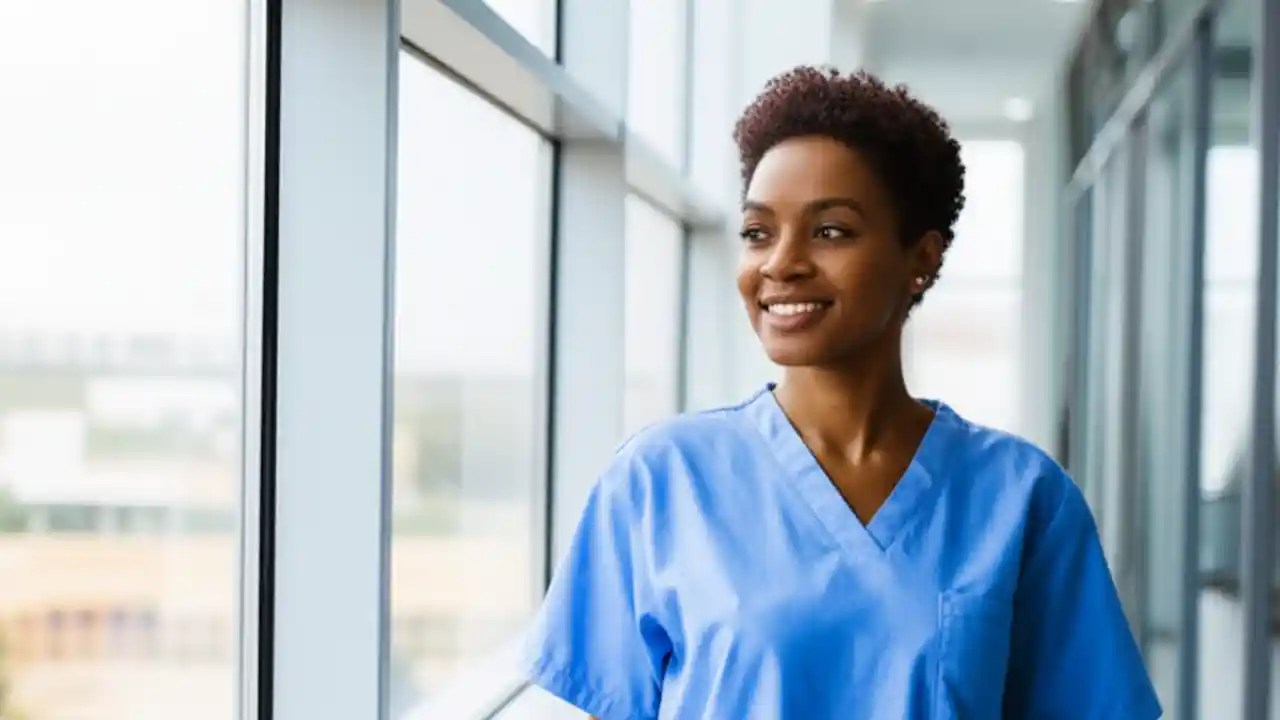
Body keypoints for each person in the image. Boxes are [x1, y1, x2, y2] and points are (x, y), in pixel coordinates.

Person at [522, 66, 1160, 719]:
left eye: (830, 231)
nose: (781, 263)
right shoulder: (662, 479)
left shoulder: (1021, 498)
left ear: (922, 258)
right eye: (758, 233)